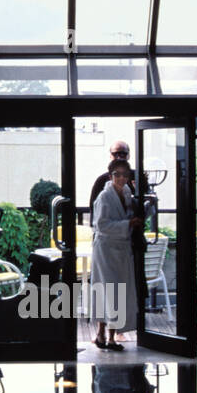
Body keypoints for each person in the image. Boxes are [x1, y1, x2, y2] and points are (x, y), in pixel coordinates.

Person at [90, 158, 141, 349]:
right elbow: (101, 225)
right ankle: (101, 334)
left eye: (124, 175)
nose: (121, 178)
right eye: (117, 175)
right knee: (106, 290)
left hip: (121, 248)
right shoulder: (104, 197)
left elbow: (131, 214)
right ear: (110, 176)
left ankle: (109, 336)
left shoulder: (127, 193)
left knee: (117, 291)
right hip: (106, 249)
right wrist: (127, 224)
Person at [88, 140, 134, 215]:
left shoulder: (137, 176)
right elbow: (94, 207)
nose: (119, 157)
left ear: (128, 155)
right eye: (115, 154)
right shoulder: (101, 180)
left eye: (123, 154)